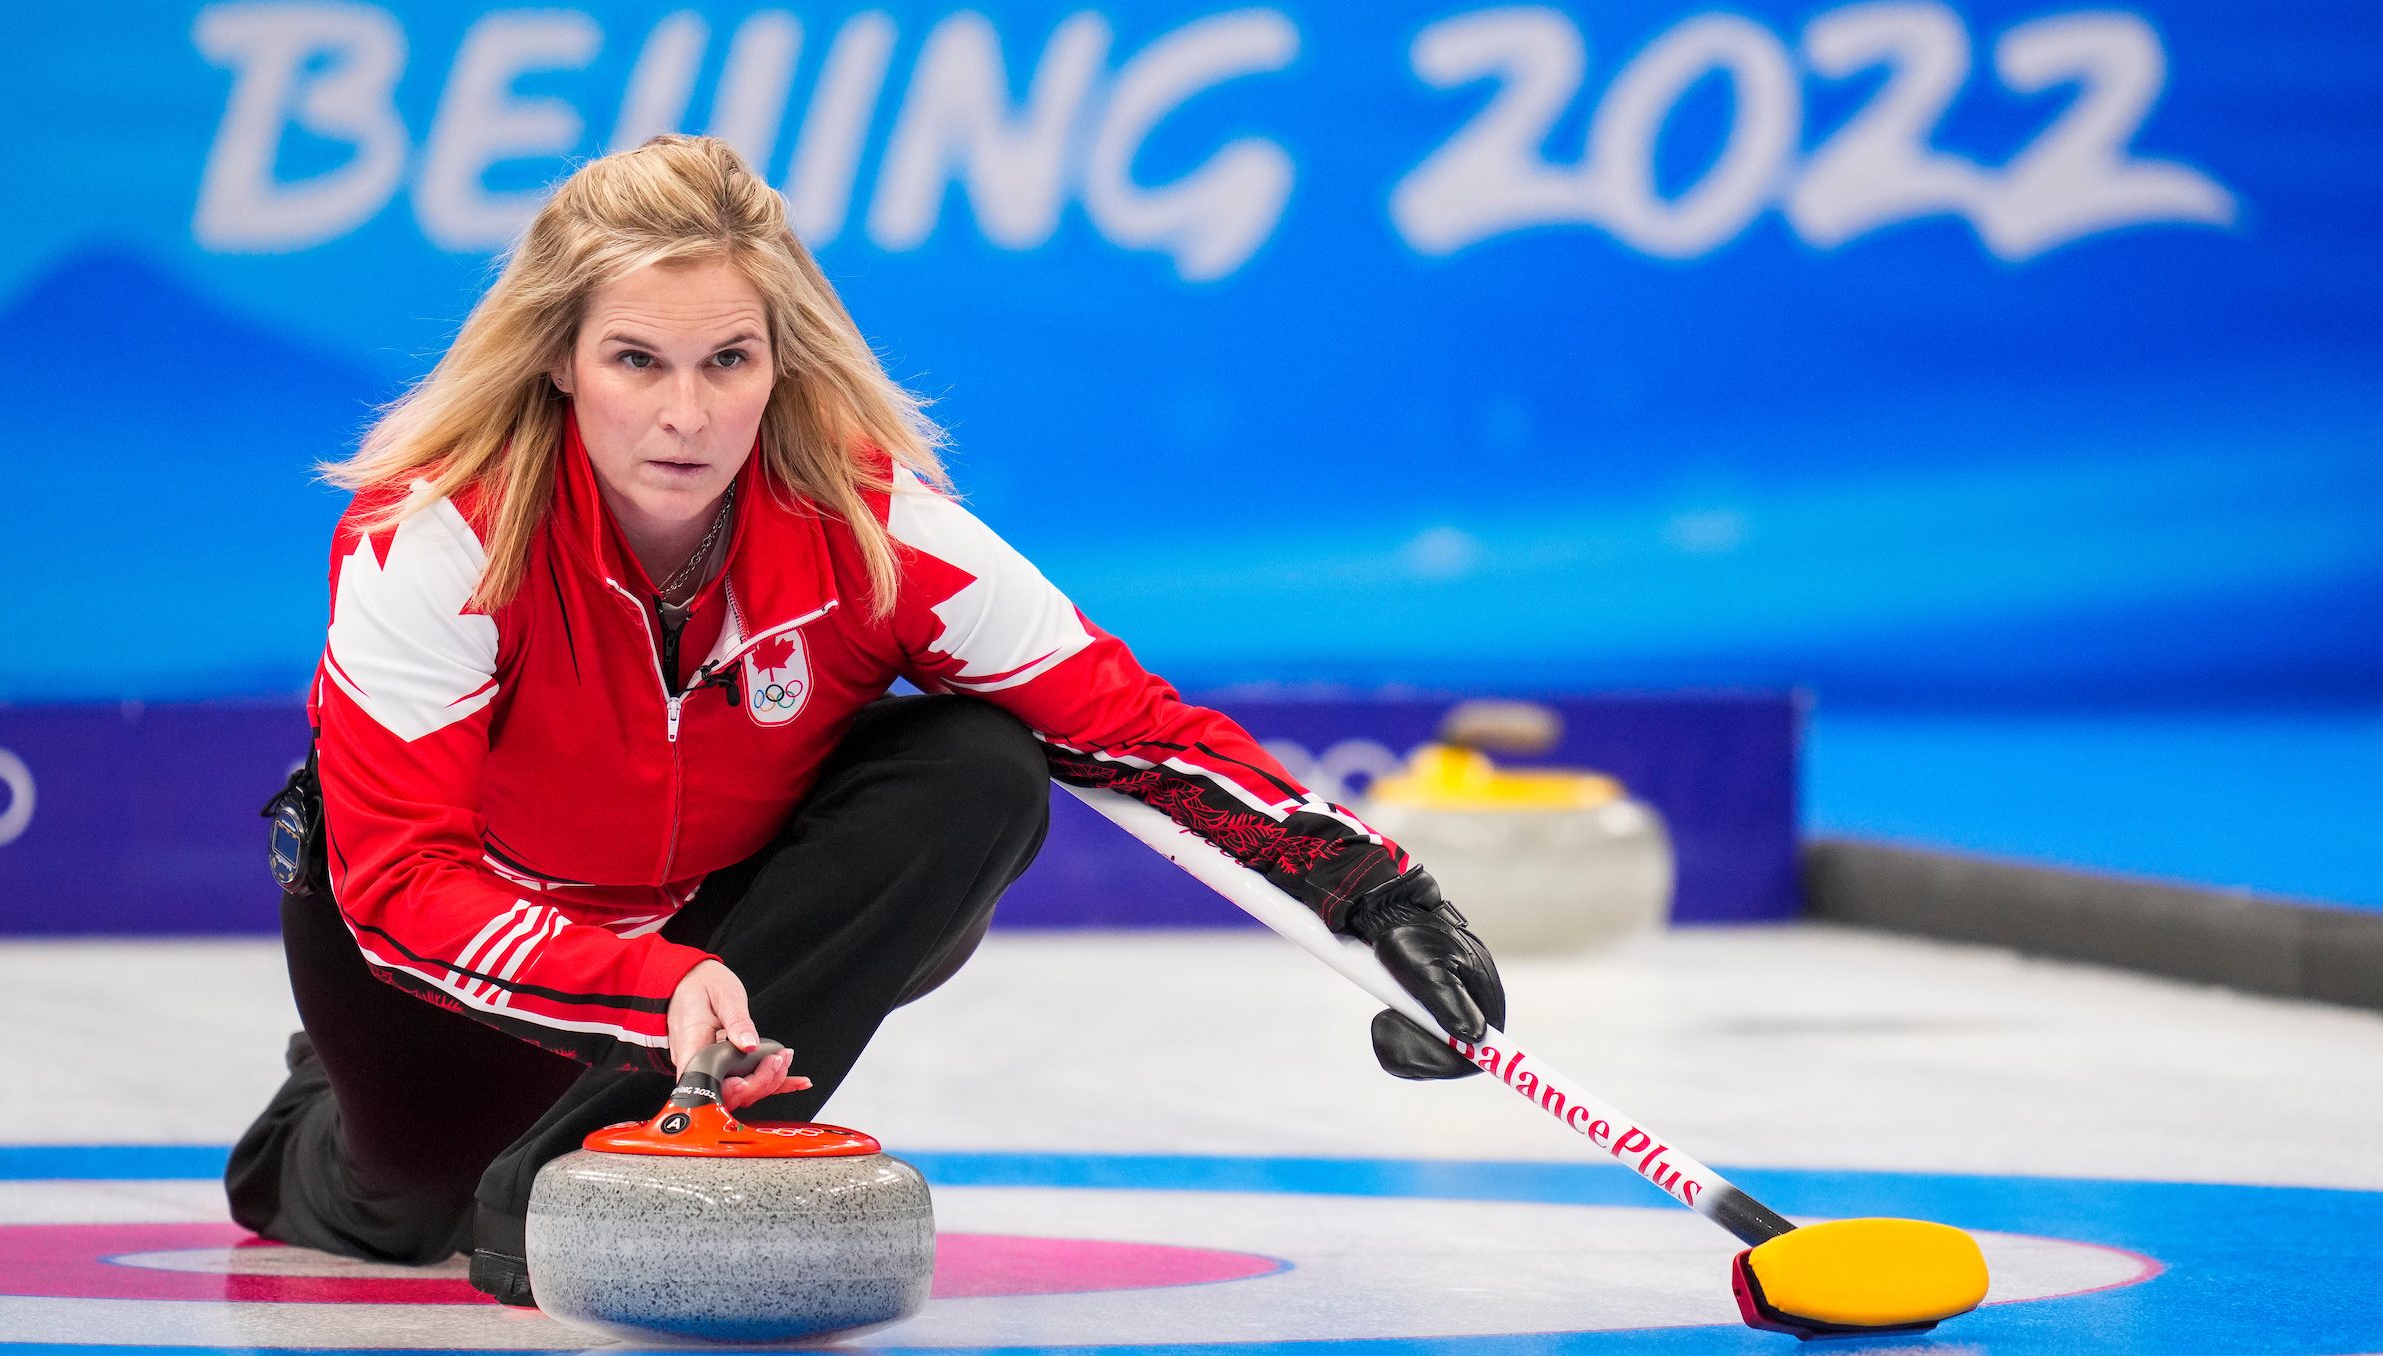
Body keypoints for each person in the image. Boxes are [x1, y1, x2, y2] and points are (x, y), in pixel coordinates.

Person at [223, 134, 1505, 1305]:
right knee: (411, 1203)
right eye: (637, 361)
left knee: (980, 765)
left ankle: (606, 1172)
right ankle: (323, 1124)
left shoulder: (876, 530)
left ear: (779, 359)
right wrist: (650, 988)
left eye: (729, 360)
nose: (687, 416)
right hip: (448, 956)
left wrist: (1374, 899)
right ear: (560, 358)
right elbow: (402, 883)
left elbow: (1129, 730)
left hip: (707, 942)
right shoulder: (437, 537)